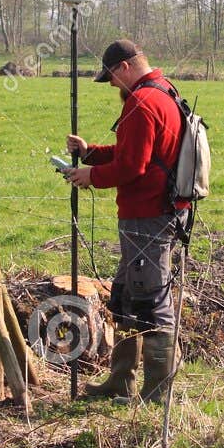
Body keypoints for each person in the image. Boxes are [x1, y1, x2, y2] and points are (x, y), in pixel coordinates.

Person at [62, 39, 188, 402]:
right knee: (127, 297)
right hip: (155, 213)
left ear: (125, 68)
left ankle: (158, 395)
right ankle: (120, 382)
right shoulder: (164, 93)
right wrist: (92, 154)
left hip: (147, 215)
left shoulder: (142, 101)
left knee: (150, 301)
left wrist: (91, 177)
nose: (113, 86)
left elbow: (134, 165)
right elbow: (134, 151)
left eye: (112, 78)